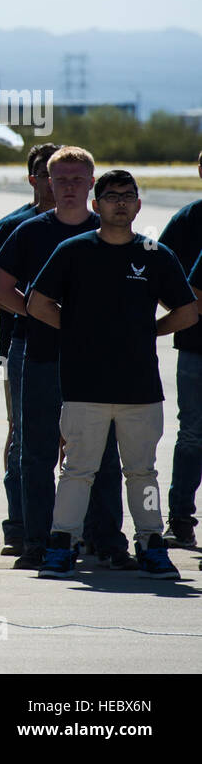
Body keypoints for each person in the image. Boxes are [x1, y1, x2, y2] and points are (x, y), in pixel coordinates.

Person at [28, 170, 196, 579]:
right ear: (96, 204)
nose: (120, 202)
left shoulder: (156, 254)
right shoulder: (74, 250)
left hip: (140, 388)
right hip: (85, 385)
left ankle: (152, 544)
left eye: (128, 196)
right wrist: (73, 329)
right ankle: (61, 545)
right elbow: (37, 302)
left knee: (143, 473)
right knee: (77, 471)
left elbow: (187, 310)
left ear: (139, 205)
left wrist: (148, 331)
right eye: (110, 196)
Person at [0, 146, 132, 569]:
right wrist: (42, 315)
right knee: (36, 451)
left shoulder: (110, 230)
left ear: (92, 184)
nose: (69, 187)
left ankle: (105, 539)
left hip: (97, 364)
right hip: (40, 356)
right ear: (46, 183)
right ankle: (37, 541)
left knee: (102, 453)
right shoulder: (30, 231)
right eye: (61, 179)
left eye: (77, 179)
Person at [0, 142, 58, 554]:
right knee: (23, 435)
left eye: (59, 174)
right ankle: (19, 524)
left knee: (77, 437)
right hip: (19, 347)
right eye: (45, 174)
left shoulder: (87, 223)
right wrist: (24, 312)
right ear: (33, 178)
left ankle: (69, 526)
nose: (53, 182)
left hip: (77, 350)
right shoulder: (13, 225)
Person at [155, 150, 202, 548]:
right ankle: (181, 517)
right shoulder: (188, 218)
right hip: (195, 347)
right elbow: (159, 270)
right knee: (192, 435)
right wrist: (183, 311)